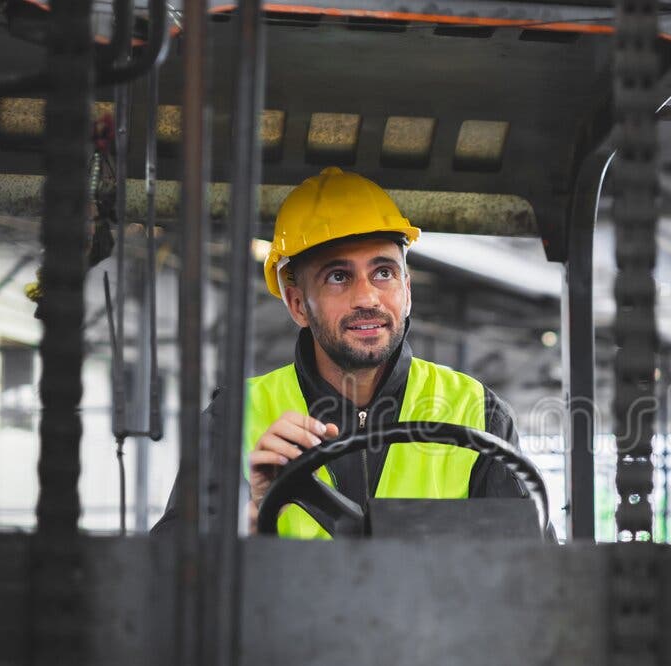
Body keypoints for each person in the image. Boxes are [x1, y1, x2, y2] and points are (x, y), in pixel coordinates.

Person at [152, 167, 532, 538]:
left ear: (408, 290)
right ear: (298, 303)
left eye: (383, 273)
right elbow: (168, 580)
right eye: (338, 277)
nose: (367, 297)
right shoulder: (234, 419)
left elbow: (527, 575)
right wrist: (248, 516)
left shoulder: (479, 413)